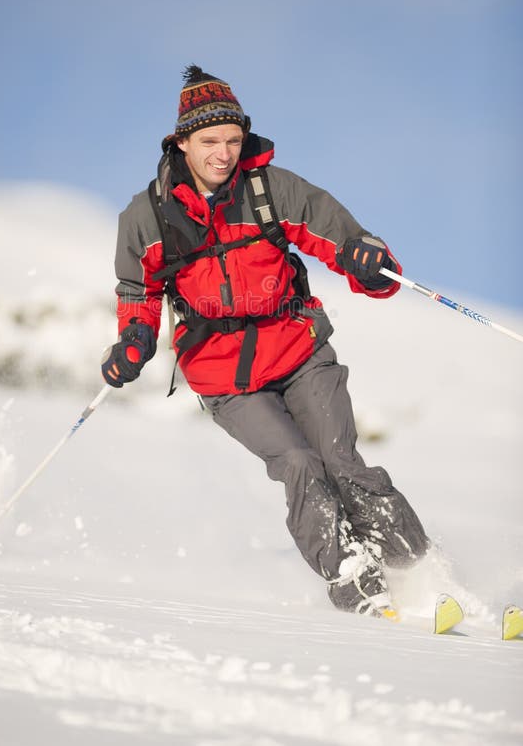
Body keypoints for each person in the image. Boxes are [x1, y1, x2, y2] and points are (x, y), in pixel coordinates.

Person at [101, 65, 428, 618]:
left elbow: (340, 236)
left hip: (298, 350)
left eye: (232, 139)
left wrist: (366, 260)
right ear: (181, 142)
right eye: (209, 141)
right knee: (300, 463)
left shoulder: (270, 188)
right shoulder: (147, 215)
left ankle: (419, 570)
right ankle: (354, 580)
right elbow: (138, 286)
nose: (223, 153)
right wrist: (135, 335)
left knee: (340, 460)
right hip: (223, 374)